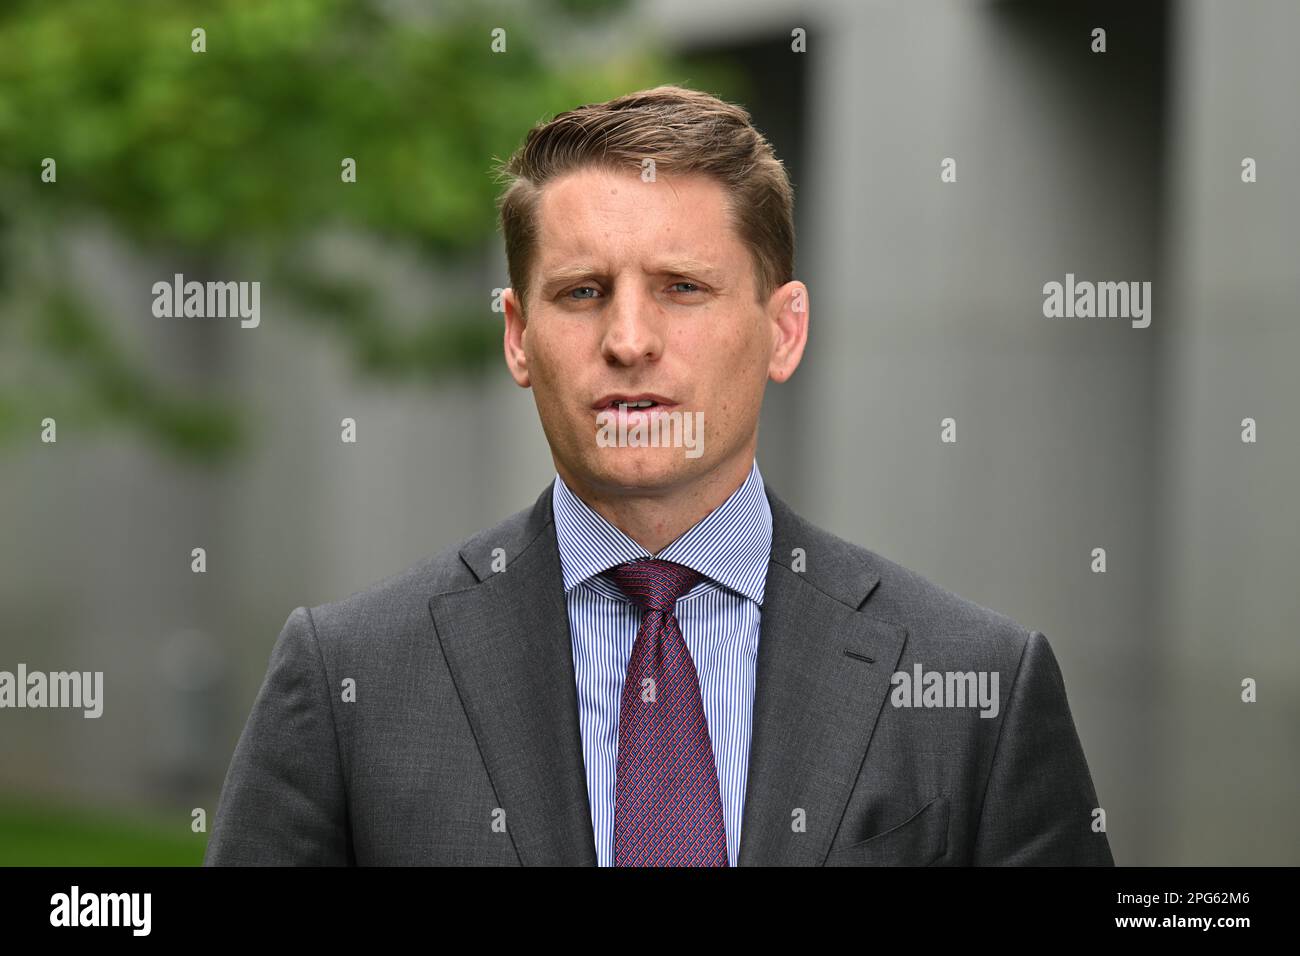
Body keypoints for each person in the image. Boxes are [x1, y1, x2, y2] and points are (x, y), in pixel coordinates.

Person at [205, 85, 1113, 866]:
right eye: (583, 291)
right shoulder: (347, 681)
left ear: (783, 330)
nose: (629, 340)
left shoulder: (979, 684)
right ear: (520, 337)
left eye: (682, 287)